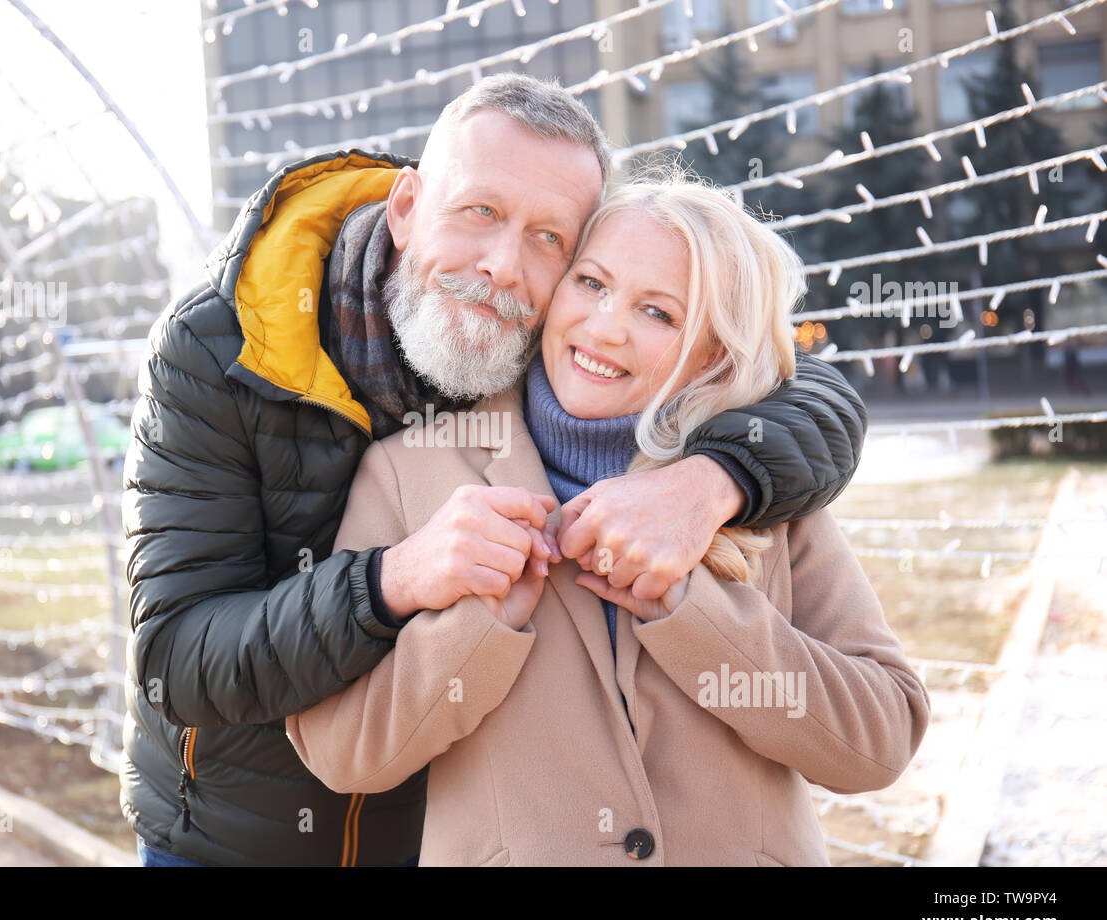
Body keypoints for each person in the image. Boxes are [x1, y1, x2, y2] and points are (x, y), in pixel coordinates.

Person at [123, 74, 869, 866]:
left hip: (446, 830)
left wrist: (712, 480)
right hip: (241, 836)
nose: (503, 266)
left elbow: (784, 374)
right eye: (479, 212)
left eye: (551, 239)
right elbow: (178, 656)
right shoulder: (222, 345)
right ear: (407, 209)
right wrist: (389, 581)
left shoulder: (562, 335)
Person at [286, 173, 930, 866]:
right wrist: (482, 626)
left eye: (659, 313)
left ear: (711, 351)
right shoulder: (407, 473)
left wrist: (692, 611)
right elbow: (342, 754)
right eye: (591, 283)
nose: (605, 327)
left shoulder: (753, 488)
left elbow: (880, 740)